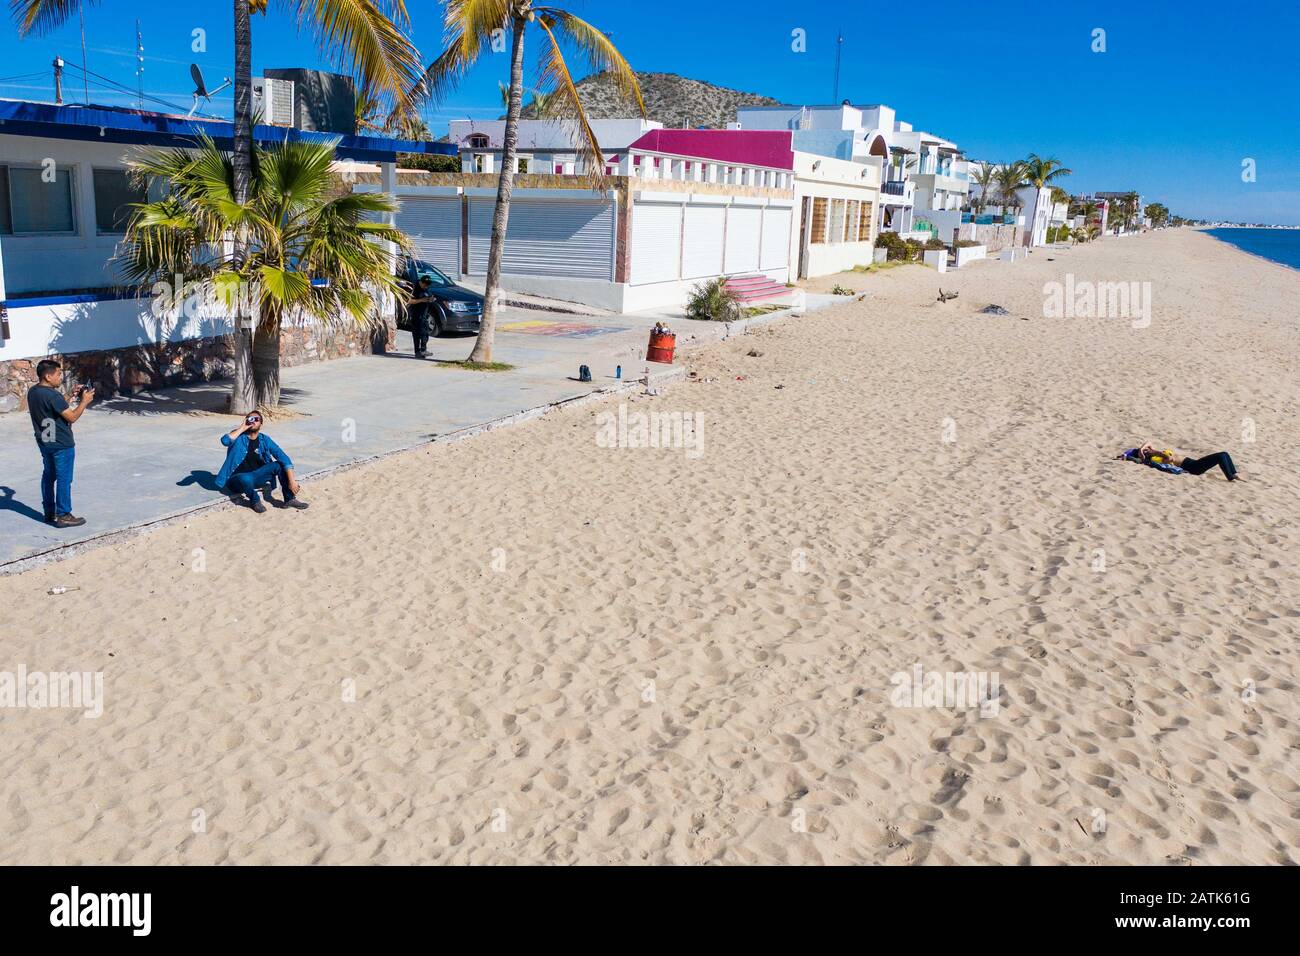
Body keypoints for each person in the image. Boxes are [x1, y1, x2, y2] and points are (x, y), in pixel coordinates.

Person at [27, 359, 94, 528]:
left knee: (48, 476)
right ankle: (64, 514)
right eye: (58, 374)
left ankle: (49, 511)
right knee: (64, 479)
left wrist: (70, 395)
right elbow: (71, 417)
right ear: (48, 376)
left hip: (45, 441)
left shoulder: (34, 392)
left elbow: (54, 406)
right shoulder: (52, 395)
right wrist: (84, 401)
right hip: (61, 443)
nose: (60, 377)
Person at [214, 411, 309, 513]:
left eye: (256, 419)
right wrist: (242, 427)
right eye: (250, 419)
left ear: (261, 424)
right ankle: (255, 501)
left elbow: (284, 458)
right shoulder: (238, 436)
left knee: (279, 465)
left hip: (256, 477)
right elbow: (225, 441)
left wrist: (292, 481)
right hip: (236, 480)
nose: (253, 421)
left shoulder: (264, 440)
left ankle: (289, 499)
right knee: (245, 478)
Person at [1115, 442, 1241, 481]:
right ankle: (1230, 476)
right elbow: (1169, 459)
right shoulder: (1155, 458)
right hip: (1193, 467)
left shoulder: (1151, 452)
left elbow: (1148, 442)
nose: (1149, 449)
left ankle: (1233, 473)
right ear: (1144, 456)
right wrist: (1153, 453)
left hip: (1194, 463)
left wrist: (1142, 449)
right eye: (1146, 451)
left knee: (1224, 454)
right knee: (1221, 456)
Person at [409, 276, 434, 357]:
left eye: (427, 286)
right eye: (425, 285)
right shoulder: (414, 288)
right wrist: (421, 300)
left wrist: (430, 299)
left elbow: (428, 295)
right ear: (421, 282)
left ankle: (424, 349)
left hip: (424, 315)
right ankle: (417, 352)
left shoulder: (426, 288)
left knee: (425, 333)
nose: (426, 287)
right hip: (416, 314)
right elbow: (409, 301)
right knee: (417, 334)